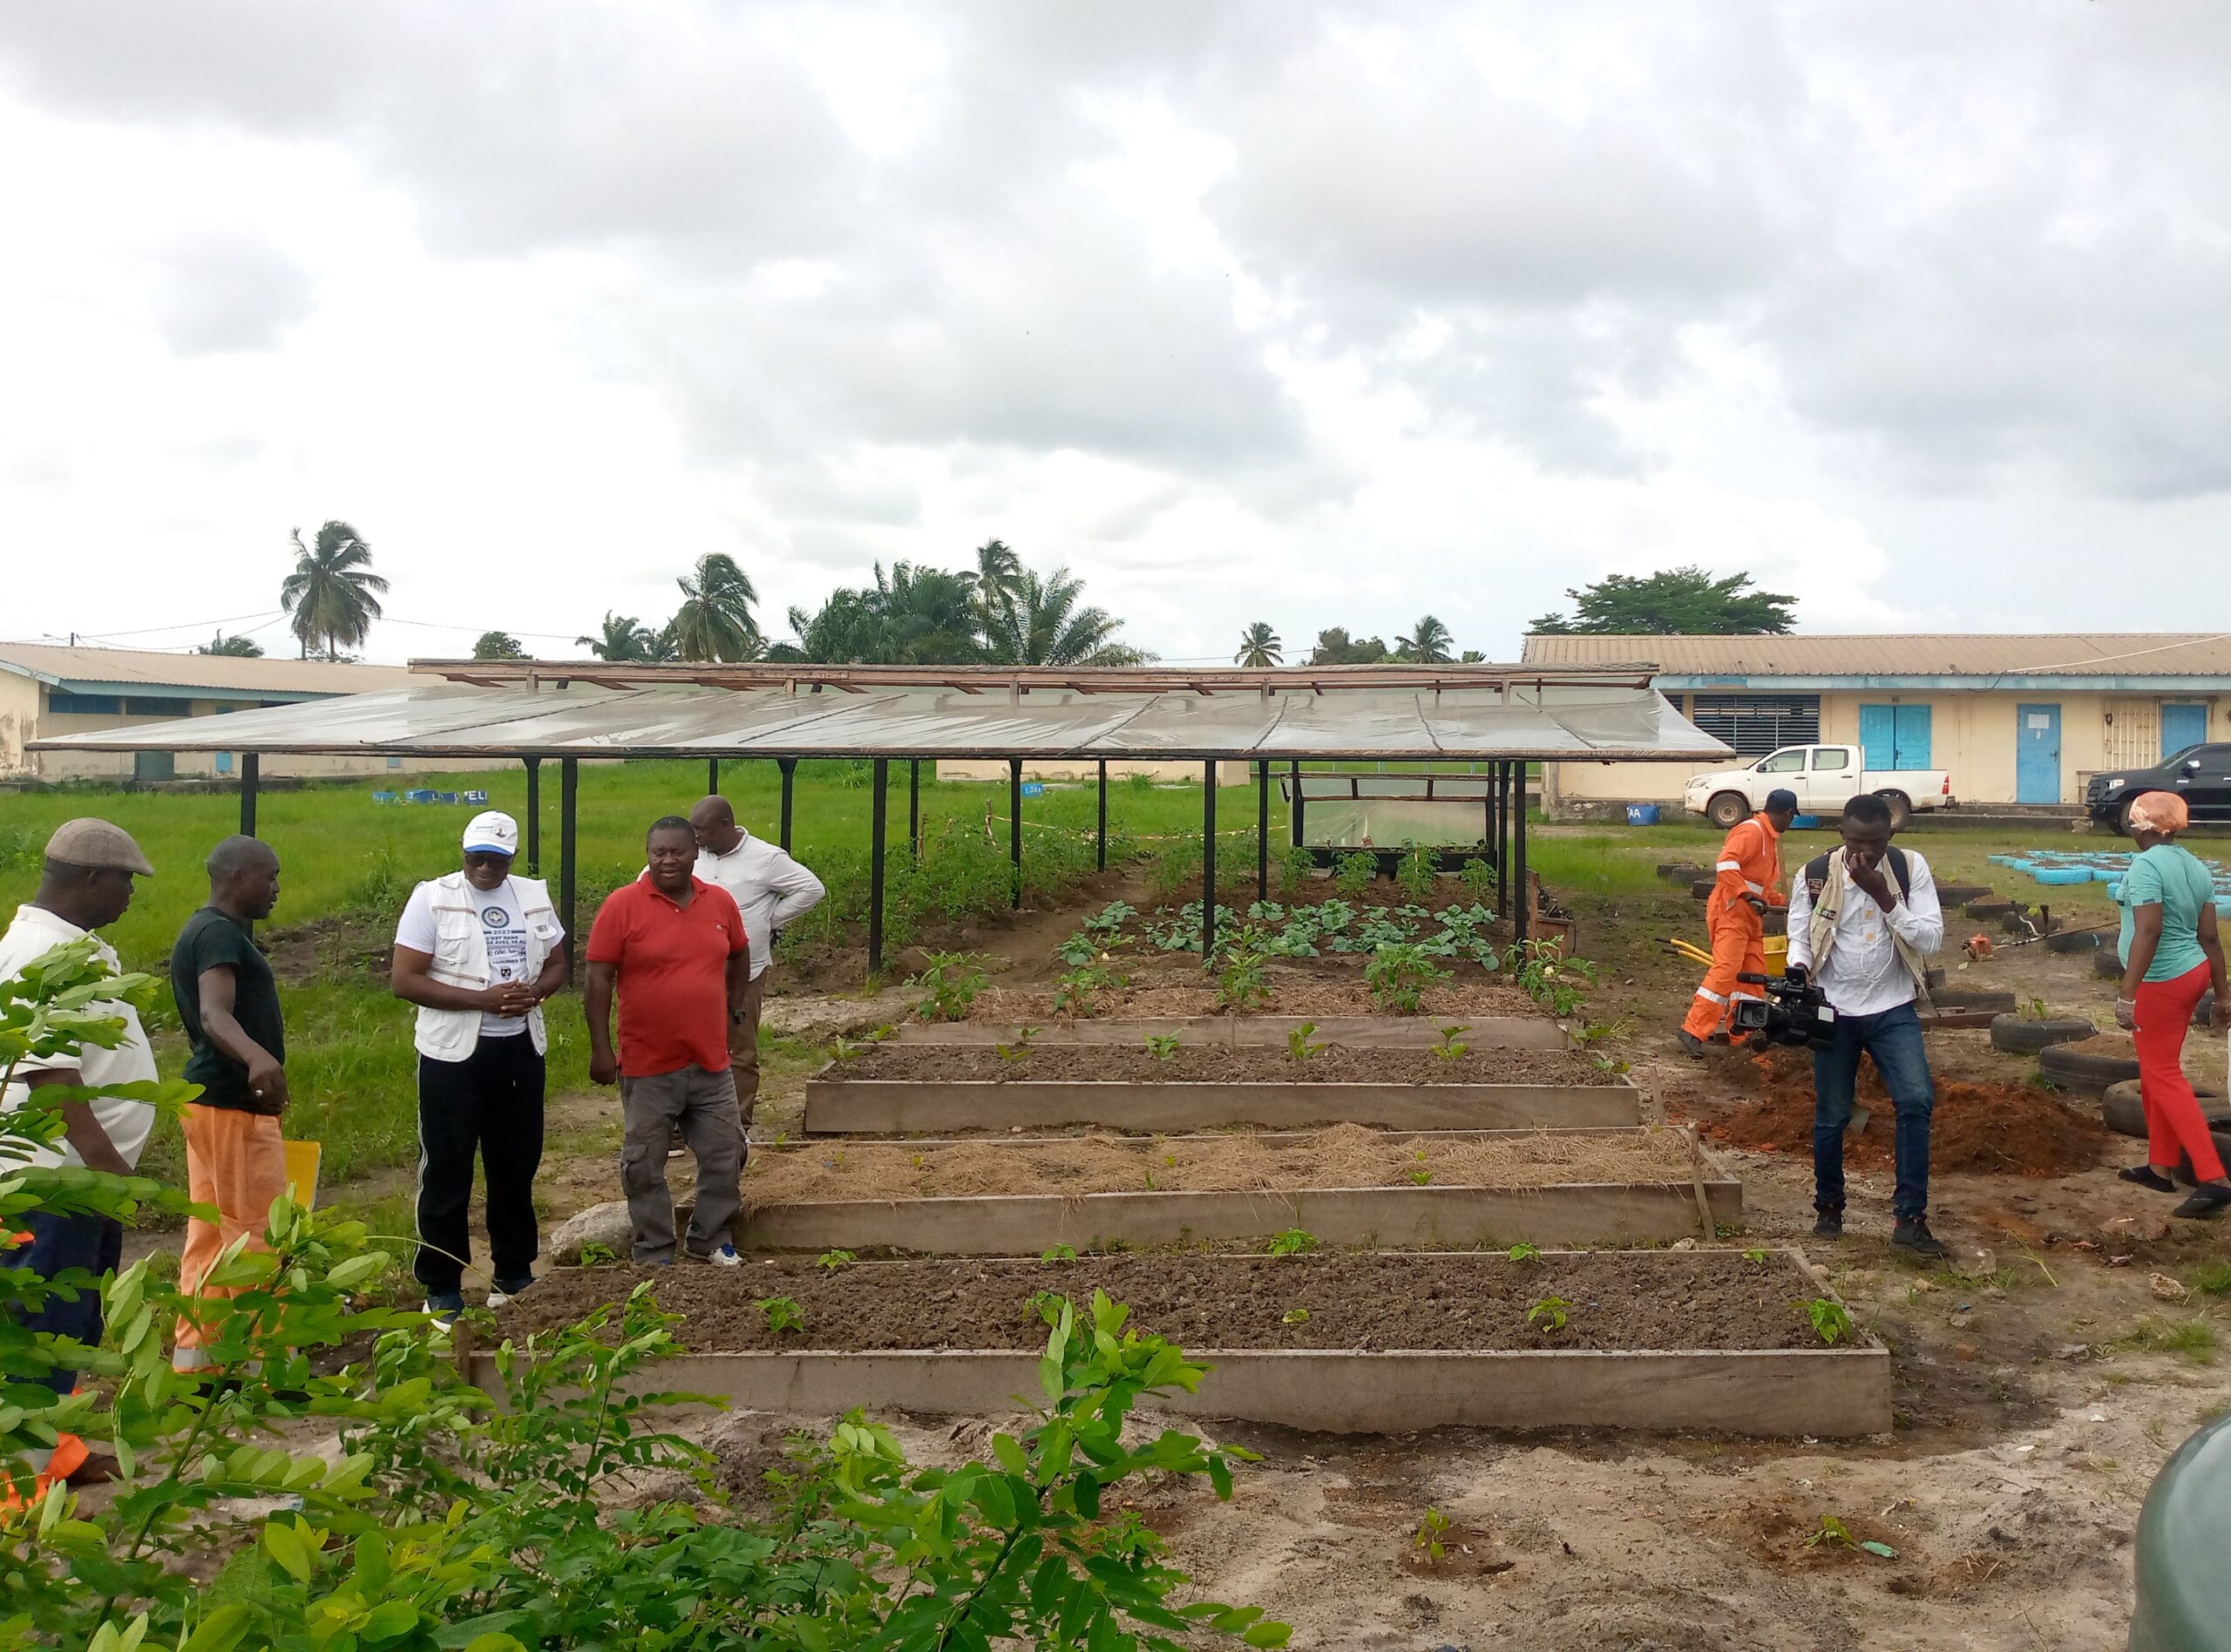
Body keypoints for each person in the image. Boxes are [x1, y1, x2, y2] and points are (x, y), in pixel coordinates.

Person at [0, 819, 159, 1489]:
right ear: (93, 879)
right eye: (126, 881)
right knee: (44, 1324)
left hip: (75, 1178)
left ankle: (52, 1453)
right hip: (56, 1179)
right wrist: (114, 1177)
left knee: (72, 1323)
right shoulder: (41, 953)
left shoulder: (72, 945)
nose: (130, 895)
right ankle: (23, 1477)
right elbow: (52, 1085)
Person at [391, 810, 568, 1322]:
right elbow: (405, 980)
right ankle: (442, 1283)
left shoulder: (533, 896)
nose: (484, 870)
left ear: (512, 858)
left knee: (515, 1165)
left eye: (495, 861)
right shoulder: (433, 897)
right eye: (475, 859)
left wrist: (537, 991)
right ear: (462, 852)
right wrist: (482, 1000)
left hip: (519, 1049)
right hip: (452, 1057)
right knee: (447, 1167)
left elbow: (558, 962)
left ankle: (513, 1272)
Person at [584, 816, 750, 1266]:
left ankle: (710, 1238)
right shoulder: (623, 905)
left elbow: (739, 952)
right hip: (648, 1063)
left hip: (710, 1062)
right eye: (658, 852)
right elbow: (597, 977)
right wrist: (602, 1049)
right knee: (643, 1163)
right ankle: (654, 1249)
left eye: (677, 851)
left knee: (725, 1153)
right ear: (648, 854)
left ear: (696, 851)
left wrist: (734, 1005)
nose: (668, 860)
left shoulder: (720, 903)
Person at [1788, 793, 1949, 1258]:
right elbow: (1799, 934)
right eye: (1856, 841)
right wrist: (1798, 970)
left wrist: (1883, 895)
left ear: (1889, 837)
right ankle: (1829, 1208)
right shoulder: (1815, 874)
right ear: (1841, 834)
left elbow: (1931, 939)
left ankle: (1910, 1218)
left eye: (1875, 843)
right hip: (1834, 1010)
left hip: (1893, 1008)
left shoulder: (1908, 869)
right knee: (1832, 1114)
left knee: (1916, 1100)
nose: (1865, 852)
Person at [168, 835, 289, 1369]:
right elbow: (216, 1014)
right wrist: (259, 1060)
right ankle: (273, 1365)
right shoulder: (218, 934)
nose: (276, 890)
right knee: (255, 1230)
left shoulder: (207, 930)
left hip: (209, 1103)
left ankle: (198, 1363)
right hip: (232, 1104)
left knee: (213, 1232)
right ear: (238, 877)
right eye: (269, 877)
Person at [2111, 791, 2231, 1220]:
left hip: (2161, 980)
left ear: (2139, 826)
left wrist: (2128, 993)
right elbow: (2210, 936)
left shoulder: (2145, 865)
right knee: (2155, 1069)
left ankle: (2215, 1178)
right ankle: (2160, 1167)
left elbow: (2149, 932)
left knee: (2163, 1075)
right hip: (2194, 971)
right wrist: (2222, 993)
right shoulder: (2194, 865)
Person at [685, 793, 824, 1131]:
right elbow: (648, 880)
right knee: (687, 1044)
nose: (697, 837)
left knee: (739, 1047)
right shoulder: (691, 856)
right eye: (693, 830)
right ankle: (683, 1125)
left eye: (701, 830)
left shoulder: (765, 858)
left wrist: (770, 919)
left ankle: (735, 1126)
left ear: (726, 825)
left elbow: (811, 888)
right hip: (690, 970)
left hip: (744, 970)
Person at [1678, 789, 1798, 1057]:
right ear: (1787, 814)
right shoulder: (1752, 832)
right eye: (1792, 818)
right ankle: (1693, 1030)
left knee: (1754, 977)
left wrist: (1784, 900)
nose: (1791, 824)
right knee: (1726, 972)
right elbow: (1725, 865)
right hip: (1732, 912)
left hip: (1751, 918)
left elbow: (1759, 886)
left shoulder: (1768, 837)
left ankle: (1742, 1035)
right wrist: (1745, 895)